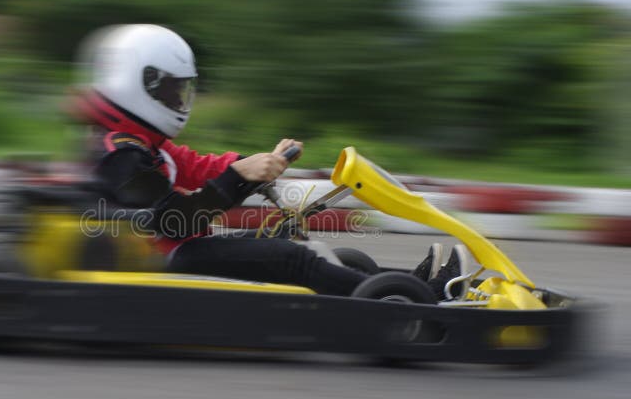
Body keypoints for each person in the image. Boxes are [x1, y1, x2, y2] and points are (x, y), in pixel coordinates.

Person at [70, 23, 464, 298]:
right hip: (160, 261)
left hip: (177, 248)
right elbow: (174, 220)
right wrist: (237, 177)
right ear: (141, 85)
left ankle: (405, 284)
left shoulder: (142, 143)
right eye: (172, 91)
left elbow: (197, 165)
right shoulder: (120, 155)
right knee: (291, 257)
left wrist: (256, 164)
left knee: (284, 242)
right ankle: (411, 300)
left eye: (181, 91)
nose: (179, 101)